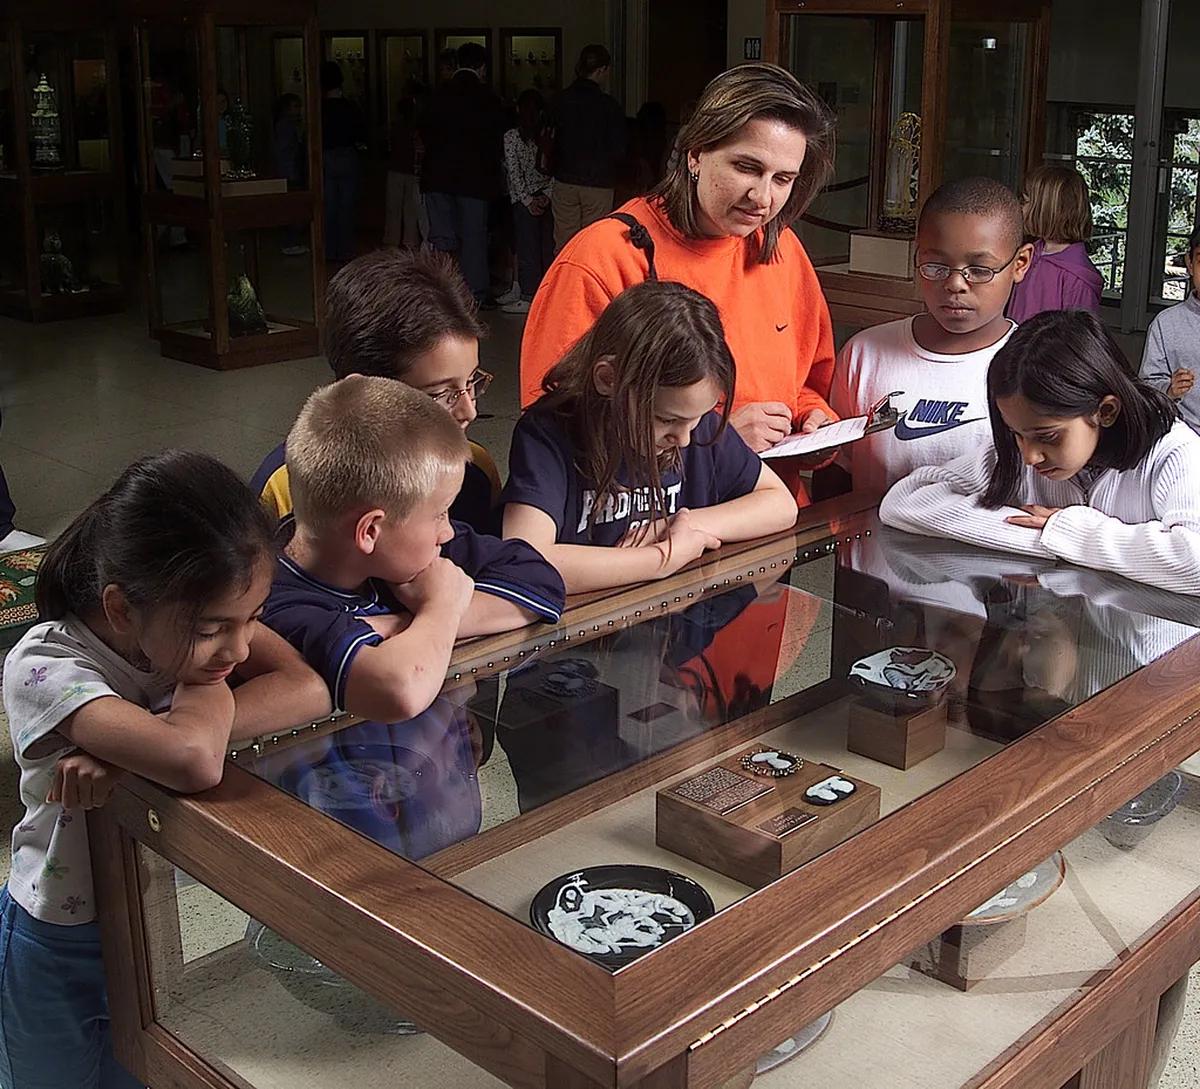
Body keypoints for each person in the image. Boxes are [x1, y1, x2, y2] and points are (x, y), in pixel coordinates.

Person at [0, 451, 330, 1089]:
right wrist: (188, 717)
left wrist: (136, 746)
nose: (236, 649)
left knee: (141, 1072)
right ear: (121, 609)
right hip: (55, 939)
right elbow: (194, 761)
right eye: (215, 631)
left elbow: (309, 688)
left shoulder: (202, 617)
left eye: (253, 621)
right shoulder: (44, 666)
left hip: (148, 923)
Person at [519, 63, 839, 503]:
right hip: (648, 532)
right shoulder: (601, 259)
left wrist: (814, 419)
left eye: (782, 179)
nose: (763, 198)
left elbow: (807, 382)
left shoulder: (780, 248)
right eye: (747, 168)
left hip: (767, 517)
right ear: (694, 154)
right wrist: (715, 442)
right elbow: (553, 433)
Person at [263, 376, 565, 720]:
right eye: (440, 514)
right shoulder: (273, 606)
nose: (448, 531)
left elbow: (542, 579)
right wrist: (438, 608)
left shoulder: (406, 553)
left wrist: (403, 625)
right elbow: (400, 690)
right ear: (371, 530)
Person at [503, 281, 798, 594]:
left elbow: (780, 504)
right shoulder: (548, 434)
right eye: (665, 419)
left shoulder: (698, 429)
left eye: (696, 418)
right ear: (607, 380)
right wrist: (661, 558)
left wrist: (686, 524)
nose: (684, 439)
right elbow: (525, 561)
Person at [880, 310, 1200, 595]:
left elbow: (1194, 562)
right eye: (1016, 434)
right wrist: (1045, 538)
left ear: (1106, 411)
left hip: (1161, 657)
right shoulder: (1020, 455)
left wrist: (1070, 533)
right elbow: (904, 501)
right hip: (1064, 639)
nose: (1031, 457)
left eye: (1048, 436)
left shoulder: (1174, 452)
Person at [251, 248, 501, 535]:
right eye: (440, 394)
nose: (469, 410)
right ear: (363, 393)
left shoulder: (475, 470)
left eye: (471, 382)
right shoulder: (287, 488)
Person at [828, 176, 1032, 495]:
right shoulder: (865, 354)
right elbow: (839, 471)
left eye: (979, 270)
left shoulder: (1036, 368)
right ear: (916, 257)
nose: (955, 284)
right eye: (936, 266)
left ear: (1020, 263)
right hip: (873, 543)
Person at [418, 42, 507, 305]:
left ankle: (441, 293)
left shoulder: (438, 95)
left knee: (442, 238)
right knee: (473, 238)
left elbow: (423, 130)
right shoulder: (488, 98)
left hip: (437, 175)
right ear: (482, 67)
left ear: (457, 64)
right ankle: (475, 295)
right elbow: (498, 137)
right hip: (474, 179)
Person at [547, 44, 626, 252]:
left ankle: (564, 284)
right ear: (601, 70)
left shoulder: (560, 100)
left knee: (564, 246)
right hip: (598, 183)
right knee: (593, 245)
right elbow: (619, 149)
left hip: (564, 180)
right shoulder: (609, 106)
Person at [1007, 164, 1103, 322]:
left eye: (1025, 201)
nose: (1019, 207)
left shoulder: (1077, 279)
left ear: (1046, 210)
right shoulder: (1028, 254)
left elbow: (1078, 340)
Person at [1140, 225, 1200, 436]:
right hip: (1184, 437)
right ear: (1190, 264)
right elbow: (1146, 387)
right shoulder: (1166, 324)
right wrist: (1170, 389)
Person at [503, 89, 554, 314]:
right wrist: (547, 195)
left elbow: (513, 172)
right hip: (547, 195)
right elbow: (555, 168)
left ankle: (528, 295)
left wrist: (526, 200)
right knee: (547, 248)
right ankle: (547, 294)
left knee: (526, 247)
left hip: (523, 199)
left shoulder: (511, 136)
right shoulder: (548, 134)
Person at [320, 61, 366, 264]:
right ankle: (345, 250)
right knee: (347, 206)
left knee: (328, 206)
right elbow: (361, 132)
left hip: (325, 156)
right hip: (348, 155)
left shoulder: (318, 109)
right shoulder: (351, 107)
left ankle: (330, 250)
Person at [384, 87, 422, 250]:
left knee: (393, 208)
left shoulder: (393, 127)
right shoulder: (417, 129)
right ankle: (410, 241)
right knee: (411, 209)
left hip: (395, 170)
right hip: (413, 171)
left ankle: (391, 241)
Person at [273, 93, 308, 256]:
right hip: (289, 171)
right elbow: (283, 151)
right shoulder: (285, 126)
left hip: (291, 170)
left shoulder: (290, 125)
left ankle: (291, 240)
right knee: (293, 207)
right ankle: (290, 241)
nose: (298, 110)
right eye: (295, 106)